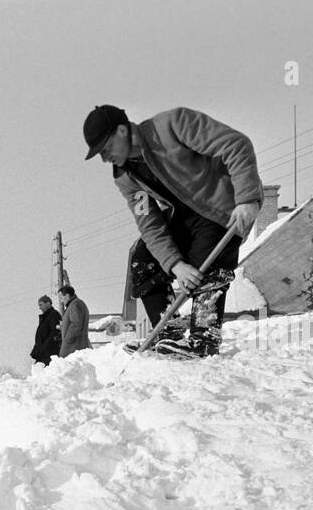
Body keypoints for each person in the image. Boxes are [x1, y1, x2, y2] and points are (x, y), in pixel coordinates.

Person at [84, 104, 262, 355]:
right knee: (143, 259)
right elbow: (150, 224)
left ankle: (204, 339)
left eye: (105, 148)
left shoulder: (172, 126)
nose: (104, 158)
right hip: (185, 216)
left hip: (224, 207)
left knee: (207, 265)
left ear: (122, 131)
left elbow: (236, 145)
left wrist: (247, 198)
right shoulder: (125, 176)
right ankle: (168, 332)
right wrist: (175, 264)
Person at [56, 285, 91, 358]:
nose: (61, 301)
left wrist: (67, 340)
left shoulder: (75, 304)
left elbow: (76, 324)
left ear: (67, 296)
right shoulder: (76, 304)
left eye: (61, 297)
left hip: (73, 347)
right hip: (75, 346)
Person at [29, 295, 63, 365]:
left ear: (48, 303)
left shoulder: (54, 315)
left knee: (41, 372)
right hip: (43, 352)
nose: (39, 307)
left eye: (41, 305)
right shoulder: (45, 317)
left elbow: (54, 333)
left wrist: (44, 347)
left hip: (49, 352)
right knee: (38, 371)